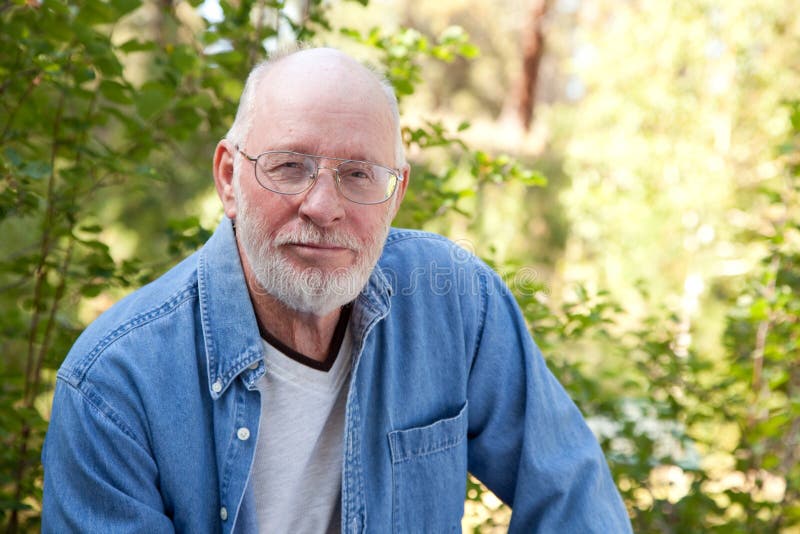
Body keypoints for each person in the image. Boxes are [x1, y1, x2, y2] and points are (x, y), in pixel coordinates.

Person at [41, 46, 632, 533]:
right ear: (228, 179)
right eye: (289, 166)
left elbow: (572, 496)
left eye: (358, 175)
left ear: (396, 195)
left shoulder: (454, 302)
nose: (324, 207)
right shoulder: (113, 386)